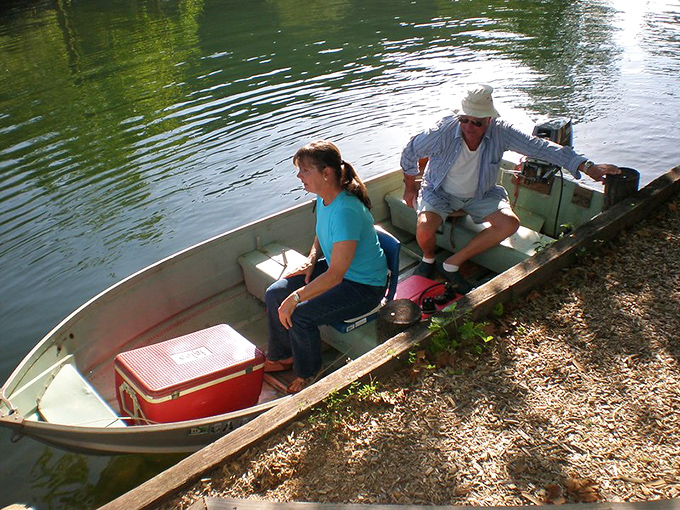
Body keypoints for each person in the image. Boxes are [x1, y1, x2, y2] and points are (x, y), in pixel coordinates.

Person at [401, 83, 621, 293]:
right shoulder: (442, 132)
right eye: (464, 120)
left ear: (489, 118)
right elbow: (410, 151)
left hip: (480, 194)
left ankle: (452, 263)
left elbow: (542, 147)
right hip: (440, 192)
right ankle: (428, 258)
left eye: (477, 122)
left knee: (509, 224)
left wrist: (587, 165)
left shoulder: (501, 132)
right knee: (424, 226)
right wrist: (410, 188)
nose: (469, 127)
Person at [264, 140, 388, 393]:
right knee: (275, 293)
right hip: (338, 272)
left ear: (327, 173)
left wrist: (296, 298)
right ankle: (283, 355)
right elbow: (321, 233)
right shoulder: (324, 198)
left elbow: (335, 276)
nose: (299, 176)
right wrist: (312, 259)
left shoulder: (346, 210)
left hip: (363, 286)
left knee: (300, 314)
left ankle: (309, 373)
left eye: (304, 170)